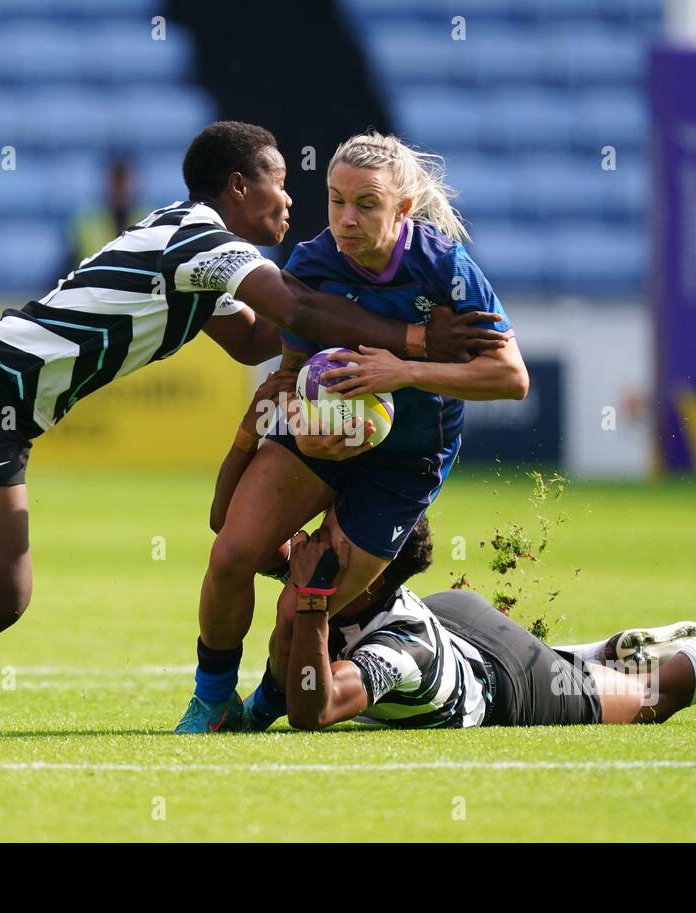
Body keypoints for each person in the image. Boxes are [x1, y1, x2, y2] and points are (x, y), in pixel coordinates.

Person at [0, 121, 505, 733]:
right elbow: (297, 311)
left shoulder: (192, 249)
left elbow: (254, 336)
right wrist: (411, 341)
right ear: (239, 186)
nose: (292, 204)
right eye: (279, 184)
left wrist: (362, 340)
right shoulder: (203, 238)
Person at [178, 131, 528, 733]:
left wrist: (404, 371)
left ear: (403, 210)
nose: (346, 218)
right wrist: (290, 403)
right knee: (232, 554)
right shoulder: (312, 262)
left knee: (298, 608)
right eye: (336, 201)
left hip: (405, 462)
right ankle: (211, 700)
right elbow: (293, 357)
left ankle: (261, 709)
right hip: (321, 439)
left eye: (366, 204)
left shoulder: (445, 269)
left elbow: (510, 377)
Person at [272, 521, 696, 731]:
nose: (317, 541)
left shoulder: (397, 646)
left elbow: (312, 709)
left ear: (375, 573)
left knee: (659, 695)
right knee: (586, 668)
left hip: (510, 681)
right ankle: (606, 650)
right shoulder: (352, 584)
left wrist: (310, 602)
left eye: (332, 534)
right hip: (453, 621)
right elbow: (232, 534)